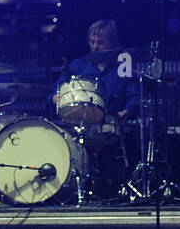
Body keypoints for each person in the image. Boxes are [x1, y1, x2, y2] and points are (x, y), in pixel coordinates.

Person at [52, 19, 140, 196]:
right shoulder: (78, 65)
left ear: (113, 42)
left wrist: (126, 112)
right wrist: (56, 97)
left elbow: (135, 96)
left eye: (101, 42)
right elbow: (55, 90)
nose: (95, 46)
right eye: (92, 42)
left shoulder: (123, 65)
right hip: (80, 125)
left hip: (112, 123)